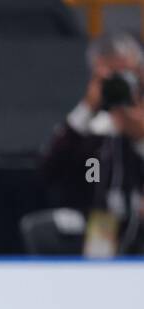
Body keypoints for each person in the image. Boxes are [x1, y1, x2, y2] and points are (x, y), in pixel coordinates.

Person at [29, 31, 144, 255]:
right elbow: (46, 172)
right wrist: (87, 108)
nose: (120, 85)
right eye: (112, 77)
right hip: (98, 229)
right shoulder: (88, 129)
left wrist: (139, 136)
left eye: (126, 76)